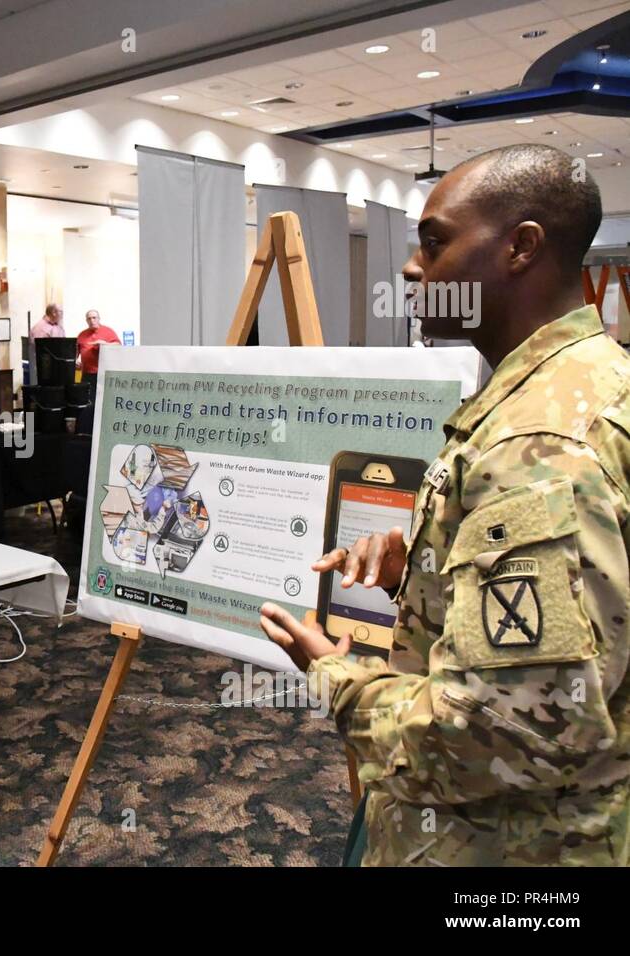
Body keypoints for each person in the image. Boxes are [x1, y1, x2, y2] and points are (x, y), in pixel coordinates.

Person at [259, 145, 630, 866]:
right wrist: (426, 574)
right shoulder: (596, 383)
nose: (409, 270)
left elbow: (506, 733)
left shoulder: (537, 445)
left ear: (521, 248)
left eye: (435, 242)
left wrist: (337, 680)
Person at [75, 309, 122, 379]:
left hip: (104, 373)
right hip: (86, 373)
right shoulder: (82, 334)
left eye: (94, 318)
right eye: (89, 319)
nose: (92, 320)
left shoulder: (108, 331)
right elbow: (75, 352)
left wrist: (105, 345)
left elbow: (119, 346)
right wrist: (74, 362)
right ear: (86, 321)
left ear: (99, 319)